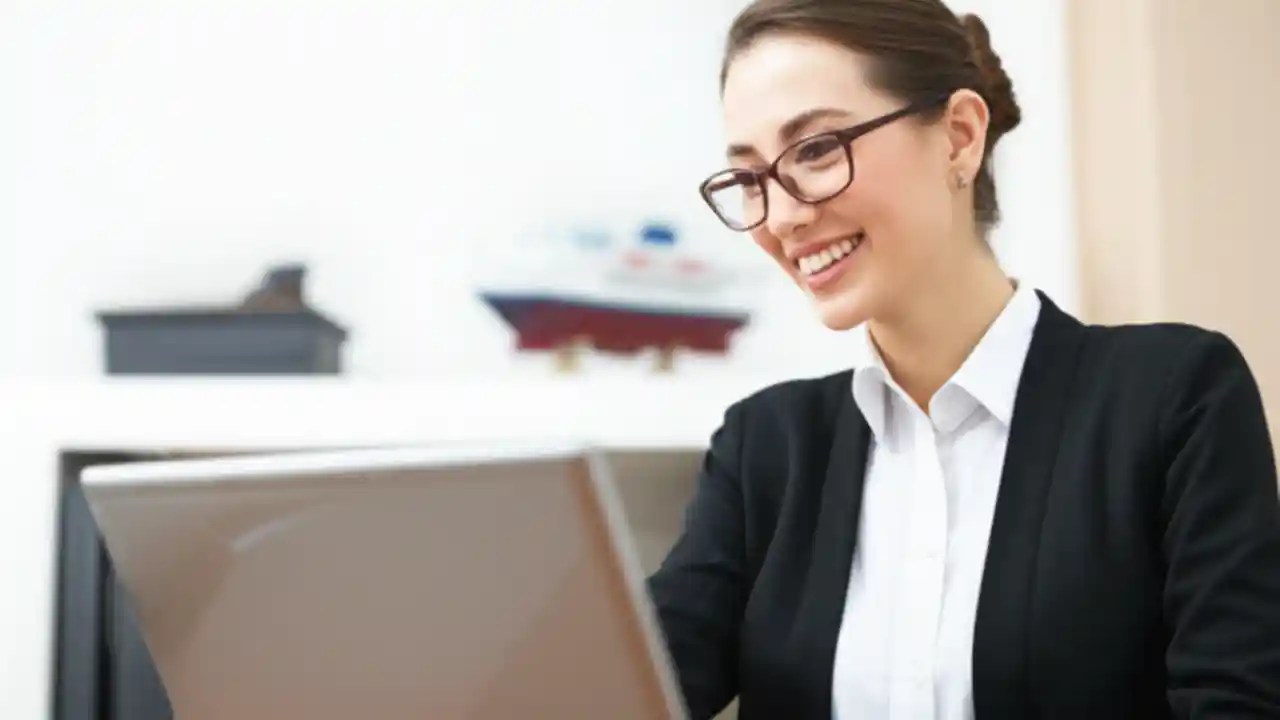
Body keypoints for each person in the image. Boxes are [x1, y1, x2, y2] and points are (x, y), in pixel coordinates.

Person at [645, 1, 1280, 718]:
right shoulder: (766, 448)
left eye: (816, 150)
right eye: (751, 179)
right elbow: (621, 682)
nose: (783, 216)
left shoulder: (1173, 397)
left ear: (959, 136)